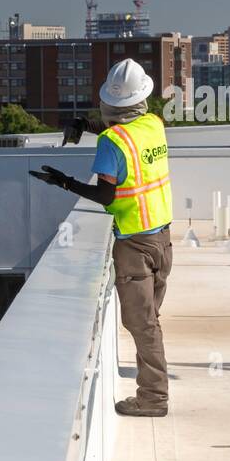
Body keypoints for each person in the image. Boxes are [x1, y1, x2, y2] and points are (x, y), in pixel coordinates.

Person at [29, 58, 172, 417]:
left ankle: (153, 398)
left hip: (135, 244)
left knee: (142, 324)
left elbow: (106, 195)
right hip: (163, 240)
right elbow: (127, 131)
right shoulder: (155, 124)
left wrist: (65, 183)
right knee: (150, 320)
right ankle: (153, 390)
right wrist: (85, 125)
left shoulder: (111, 142)